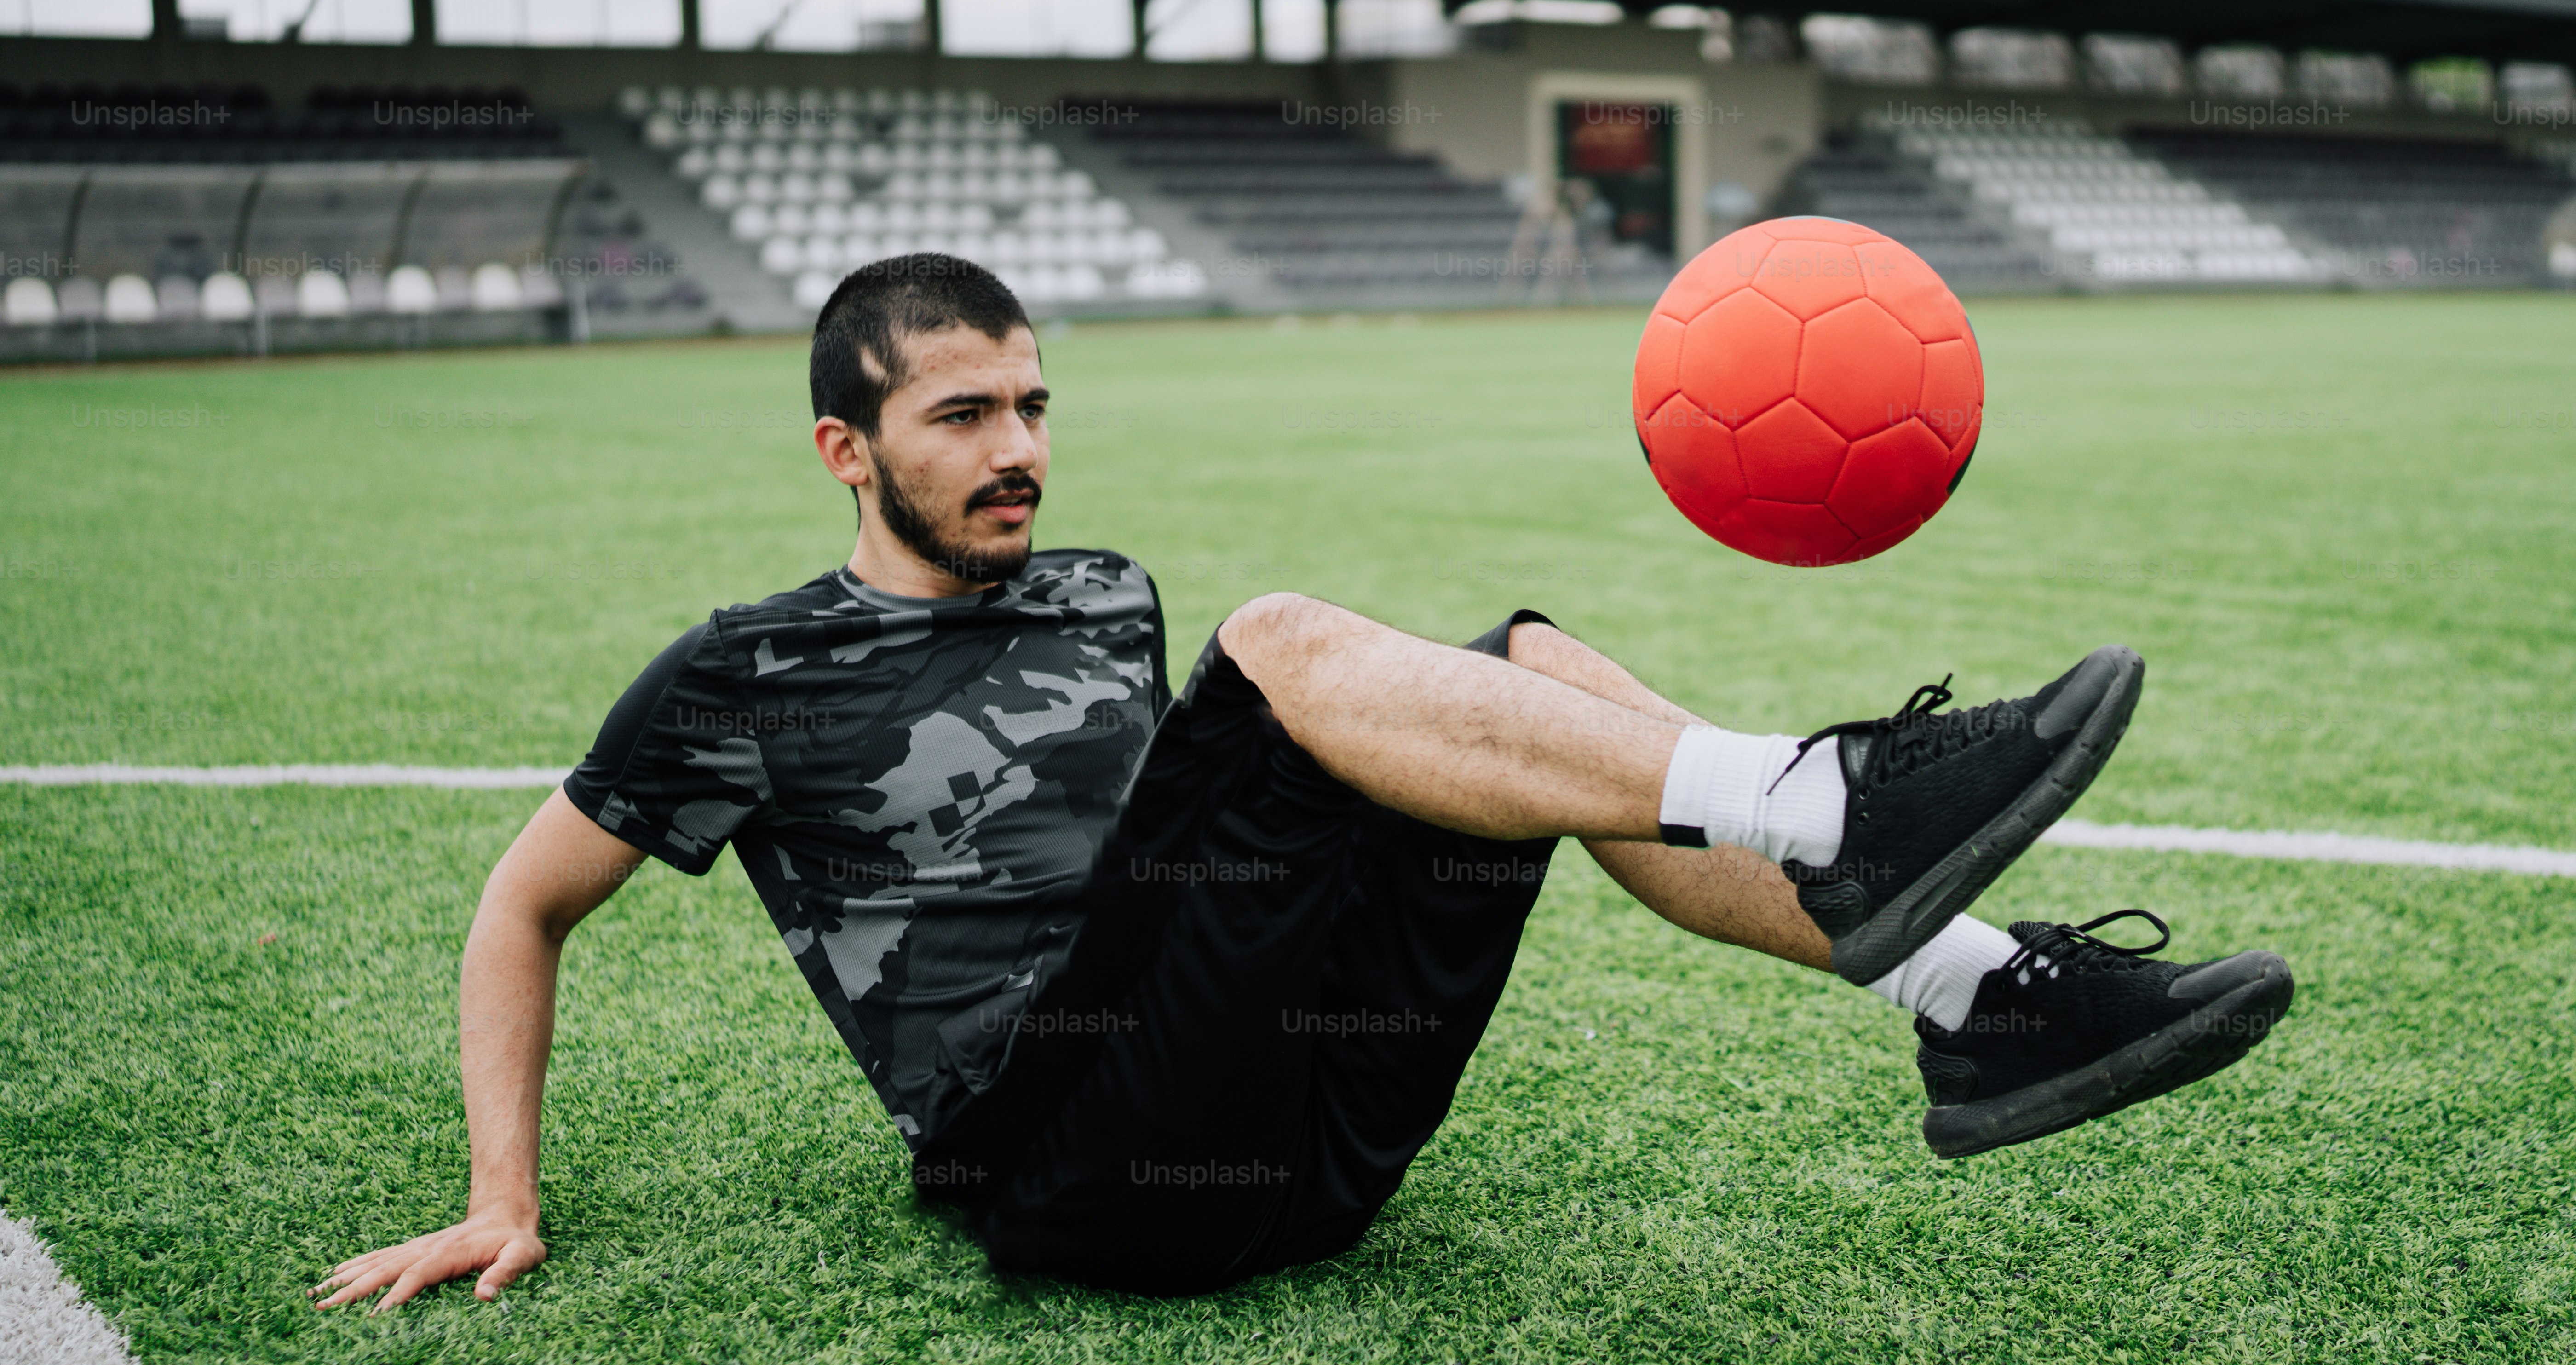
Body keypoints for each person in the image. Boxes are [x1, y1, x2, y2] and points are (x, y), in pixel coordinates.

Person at [314, 254, 2292, 1311]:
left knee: (1522, 672)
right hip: (1066, 1168)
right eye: (963, 416)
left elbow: (1208, 842)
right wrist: (503, 1194)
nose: (1020, 448)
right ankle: (1826, 788)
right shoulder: (743, 672)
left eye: (1034, 404)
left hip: (1297, 1147)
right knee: (1283, 634)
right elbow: (523, 901)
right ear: (845, 448)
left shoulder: (1097, 593)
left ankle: (1978, 1002)